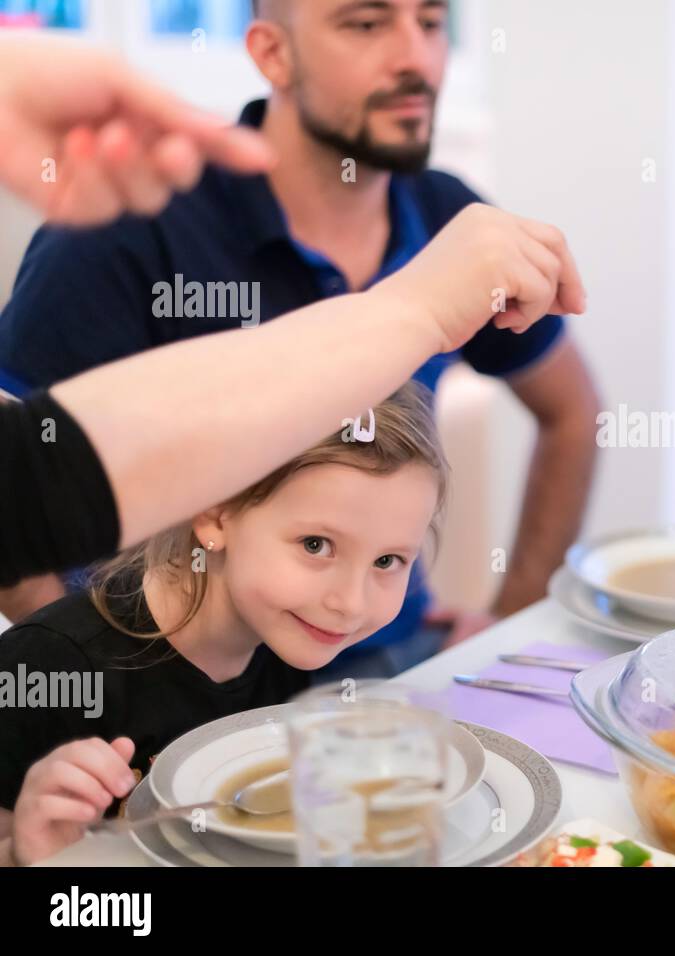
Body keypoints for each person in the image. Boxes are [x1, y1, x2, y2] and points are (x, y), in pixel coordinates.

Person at [0, 0, 601, 661]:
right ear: (271, 53)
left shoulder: (448, 216)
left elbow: (572, 413)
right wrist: (86, 679)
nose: (416, 59)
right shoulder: (132, 221)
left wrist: (510, 621)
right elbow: (13, 487)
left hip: (383, 661)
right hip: (170, 689)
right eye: (365, 24)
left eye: (430, 23)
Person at [0, 383, 446, 866]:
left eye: (387, 560)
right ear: (215, 513)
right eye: (316, 545)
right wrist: (27, 855)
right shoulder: (48, 663)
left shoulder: (287, 637)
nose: (351, 604)